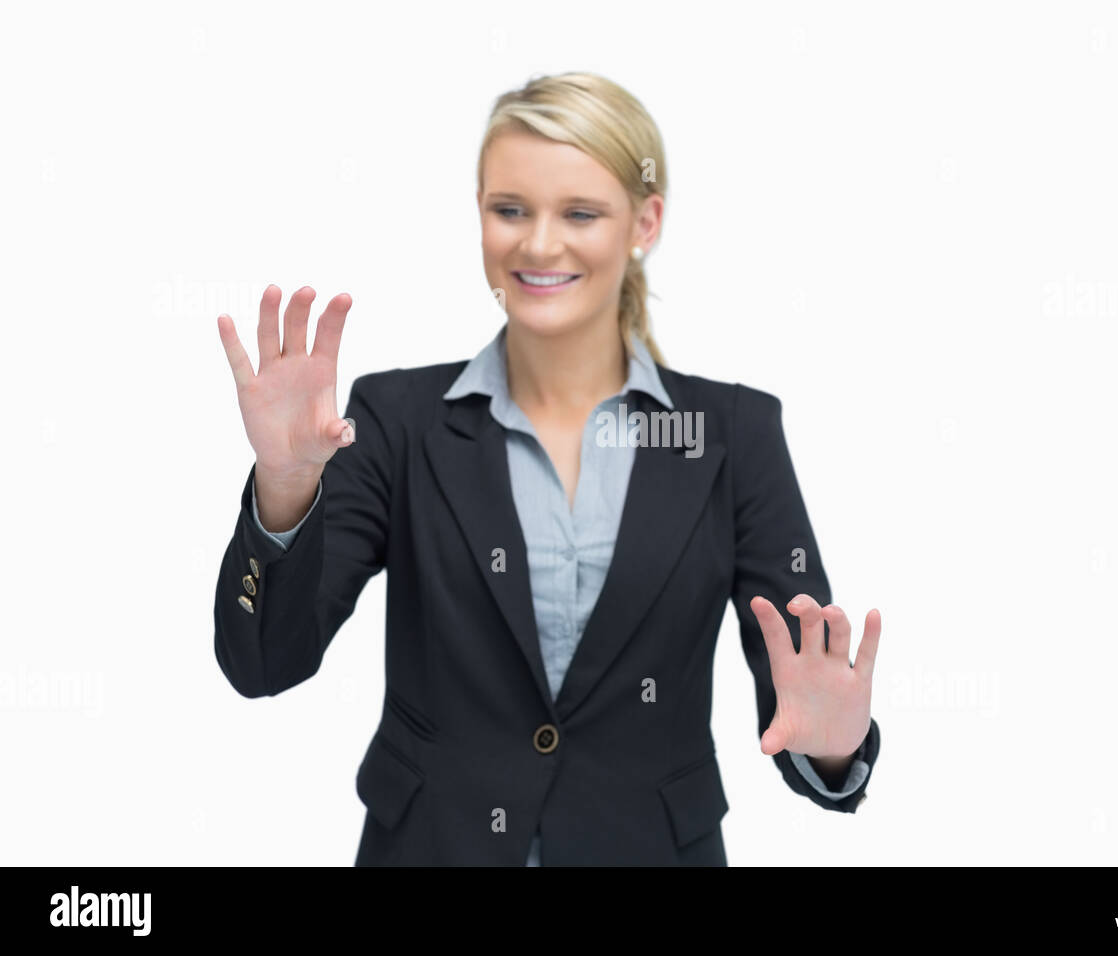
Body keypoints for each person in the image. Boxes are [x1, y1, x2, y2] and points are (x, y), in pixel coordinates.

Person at [213, 71, 883, 866]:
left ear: (645, 221)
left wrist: (836, 747)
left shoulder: (731, 434)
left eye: (580, 213)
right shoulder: (398, 419)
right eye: (510, 210)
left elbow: (800, 694)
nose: (537, 244)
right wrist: (287, 487)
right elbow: (264, 664)